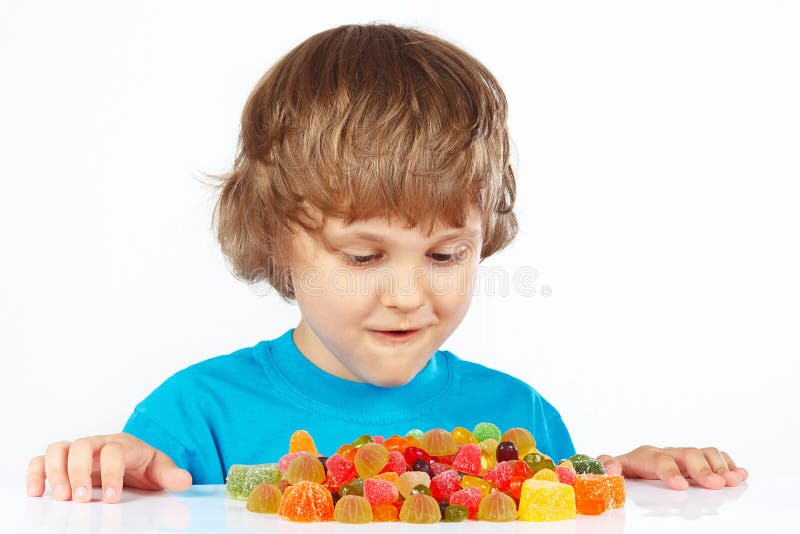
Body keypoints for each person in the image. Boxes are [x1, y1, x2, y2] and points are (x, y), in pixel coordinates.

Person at [26, 22, 748, 504]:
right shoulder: (196, 415)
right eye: (364, 255)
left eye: (445, 253)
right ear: (277, 240)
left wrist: (632, 478)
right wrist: (107, 468)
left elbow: (558, 502)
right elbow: (129, 495)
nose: (408, 294)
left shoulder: (519, 418)